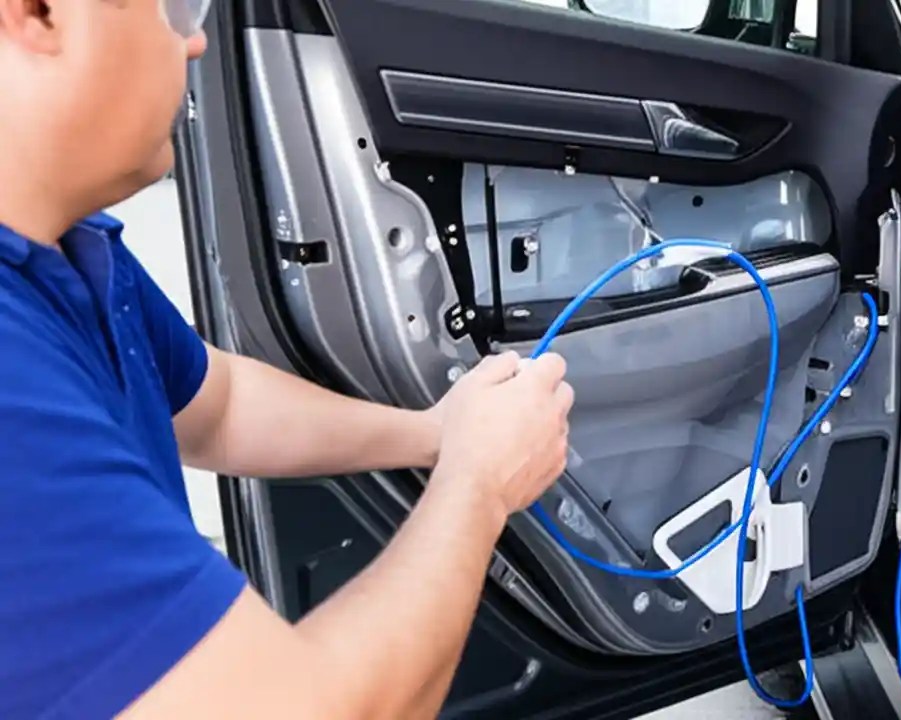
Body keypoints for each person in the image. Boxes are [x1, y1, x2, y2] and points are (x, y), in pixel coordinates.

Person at [0, 1, 575, 718]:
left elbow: (219, 405)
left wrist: (438, 432)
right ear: (37, 12)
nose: (198, 40)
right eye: (171, 8)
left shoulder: (73, 248)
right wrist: (479, 484)